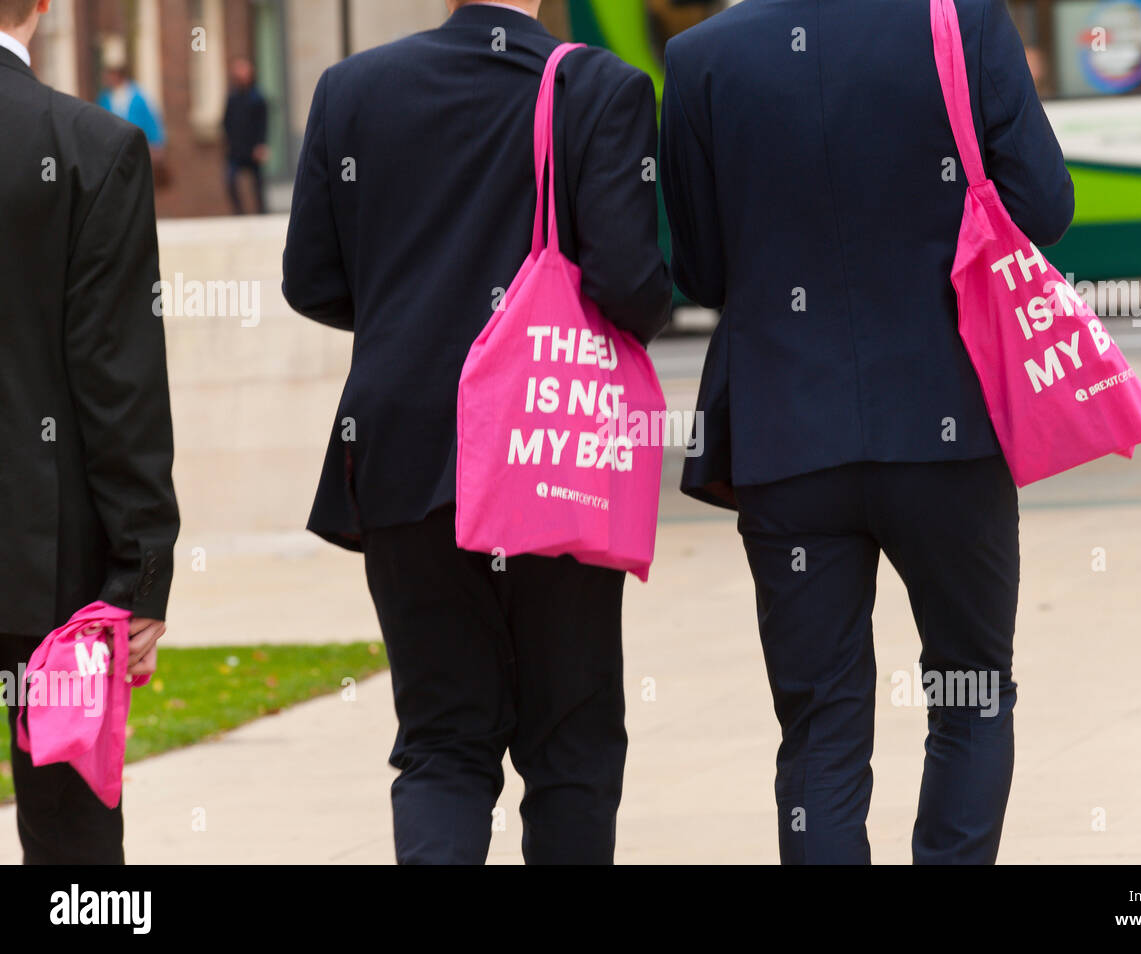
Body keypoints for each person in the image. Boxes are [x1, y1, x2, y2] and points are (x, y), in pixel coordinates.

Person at [660, 0, 1074, 864]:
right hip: (948, 426)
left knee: (819, 723)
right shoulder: (962, 23)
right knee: (971, 692)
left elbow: (698, 267)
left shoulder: (700, 58)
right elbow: (1043, 203)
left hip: (786, 434)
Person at [282, 0, 671, 864]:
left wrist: (412, 322)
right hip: (548, 451)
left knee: (441, 742)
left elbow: (309, 277)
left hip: (403, 454)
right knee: (569, 746)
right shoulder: (598, 89)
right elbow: (630, 284)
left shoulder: (351, 89)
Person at [0, 0, 180, 865]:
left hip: (51, 558)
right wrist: (142, 568)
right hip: (55, 561)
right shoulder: (93, 148)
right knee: (73, 839)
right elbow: (118, 380)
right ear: (38, 8)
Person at [222, 57, 269, 214]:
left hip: (253, 148)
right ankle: (239, 212)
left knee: (257, 183)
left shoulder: (258, 98)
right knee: (230, 179)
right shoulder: (232, 98)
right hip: (236, 149)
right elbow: (226, 121)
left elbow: (263, 124)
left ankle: (262, 211)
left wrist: (261, 144)